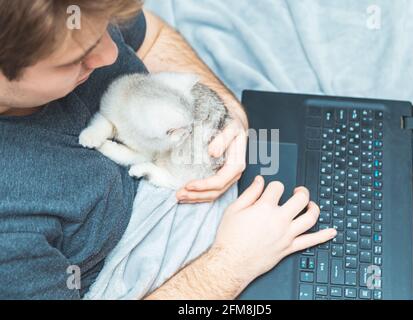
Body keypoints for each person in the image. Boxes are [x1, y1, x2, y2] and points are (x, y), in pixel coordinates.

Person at [0, 0, 336, 299]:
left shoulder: (75, 12)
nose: (110, 54)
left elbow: (153, 37)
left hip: (210, 180)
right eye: (76, 59)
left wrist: (224, 112)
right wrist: (232, 263)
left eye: (107, 30)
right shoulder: (10, 232)